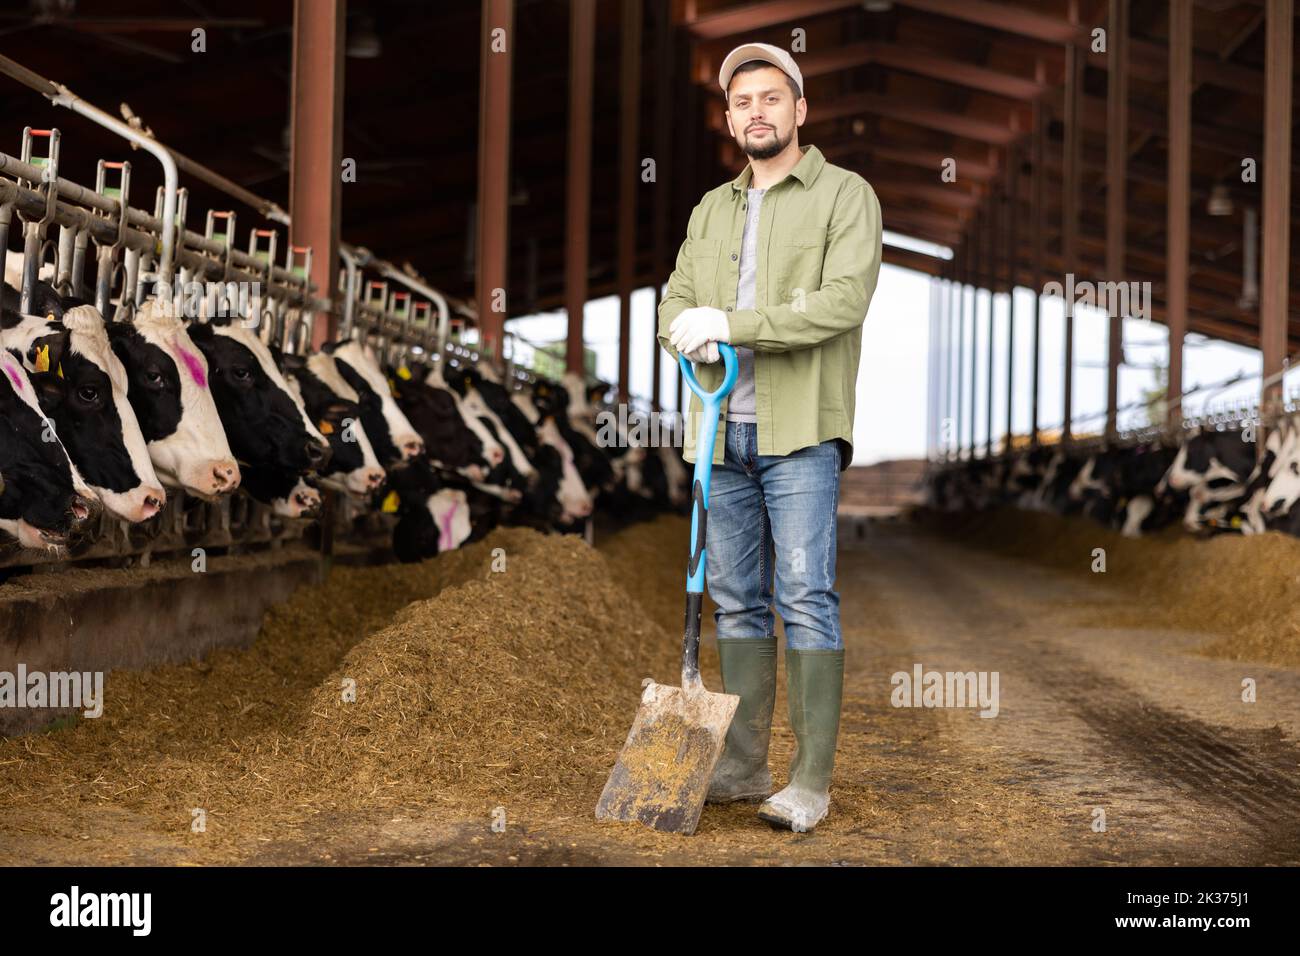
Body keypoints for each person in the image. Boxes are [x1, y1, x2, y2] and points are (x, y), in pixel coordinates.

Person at [656, 41, 883, 832]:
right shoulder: (711, 209)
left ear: (799, 111)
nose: (757, 112)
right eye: (742, 102)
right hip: (719, 433)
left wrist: (735, 323)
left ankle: (810, 781)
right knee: (736, 602)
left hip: (801, 434)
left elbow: (840, 303)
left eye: (770, 99)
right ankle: (745, 764)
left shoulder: (846, 196)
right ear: (730, 119)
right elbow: (673, 302)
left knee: (806, 597)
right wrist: (688, 332)